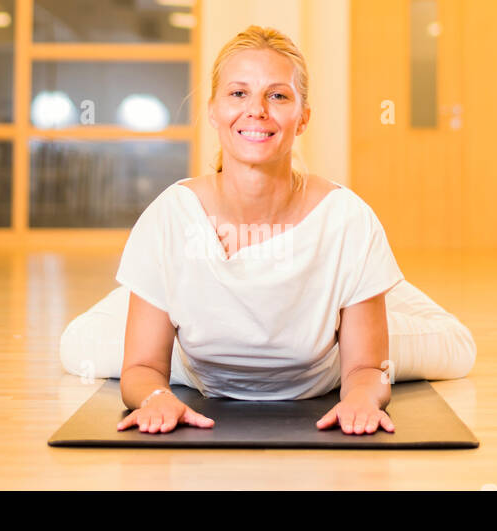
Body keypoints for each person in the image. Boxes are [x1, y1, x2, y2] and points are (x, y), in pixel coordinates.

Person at [59, 25, 475, 436]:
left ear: (303, 117)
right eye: (238, 93)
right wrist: (155, 396)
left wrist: (361, 397)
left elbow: (366, 368)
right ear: (213, 110)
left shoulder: (347, 219)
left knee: (459, 352)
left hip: (323, 359)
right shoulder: (170, 215)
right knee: (75, 348)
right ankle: (153, 289)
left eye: (277, 95)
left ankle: (375, 287)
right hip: (197, 357)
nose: (256, 109)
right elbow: (144, 368)